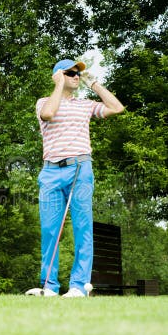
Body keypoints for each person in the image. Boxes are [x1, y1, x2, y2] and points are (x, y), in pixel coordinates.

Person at [26, 58, 125, 297]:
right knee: (50, 230)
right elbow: (48, 114)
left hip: (80, 168)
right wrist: (59, 84)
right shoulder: (43, 103)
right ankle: (49, 287)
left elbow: (116, 108)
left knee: (83, 227)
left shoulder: (85, 105)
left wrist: (94, 84)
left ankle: (78, 286)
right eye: (70, 73)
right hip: (50, 171)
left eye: (78, 73)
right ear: (58, 76)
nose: (76, 76)